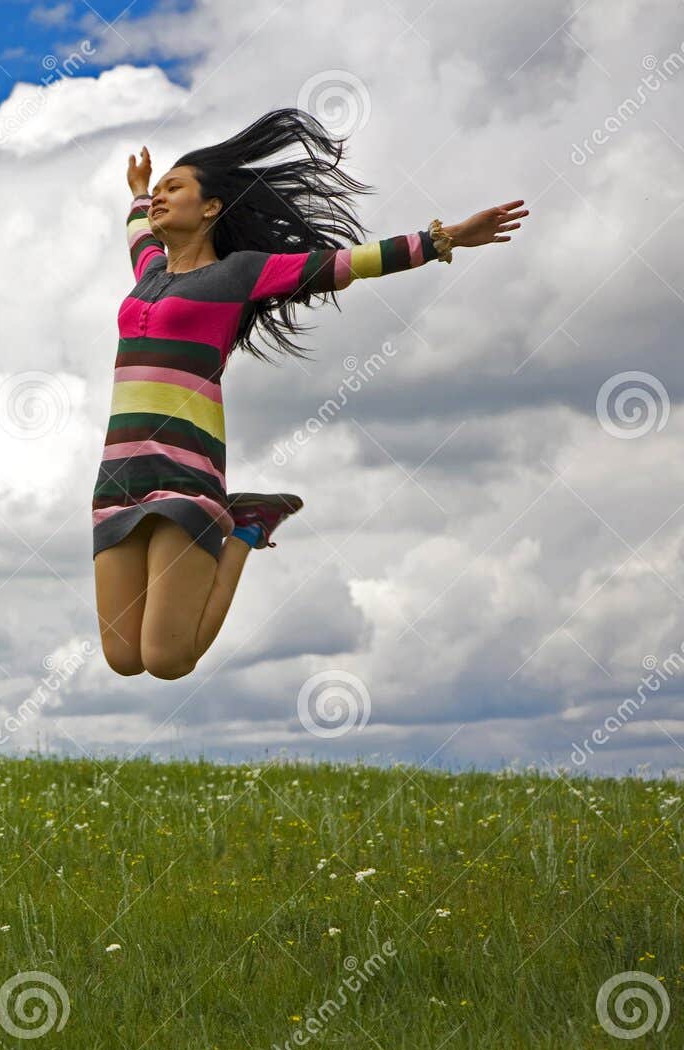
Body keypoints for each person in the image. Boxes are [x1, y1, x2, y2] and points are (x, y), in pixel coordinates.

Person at [93, 108, 528, 679]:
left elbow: (349, 263)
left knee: (167, 660)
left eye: (175, 188)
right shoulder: (149, 275)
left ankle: (246, 527)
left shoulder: (239, 274)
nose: (160, 199)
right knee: (123, 659)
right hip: (119, 473)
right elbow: (138, 231)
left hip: (183, 467)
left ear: (211, 207)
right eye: (160, 192)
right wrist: (138, 189)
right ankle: (239, 523)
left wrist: (443, 238)